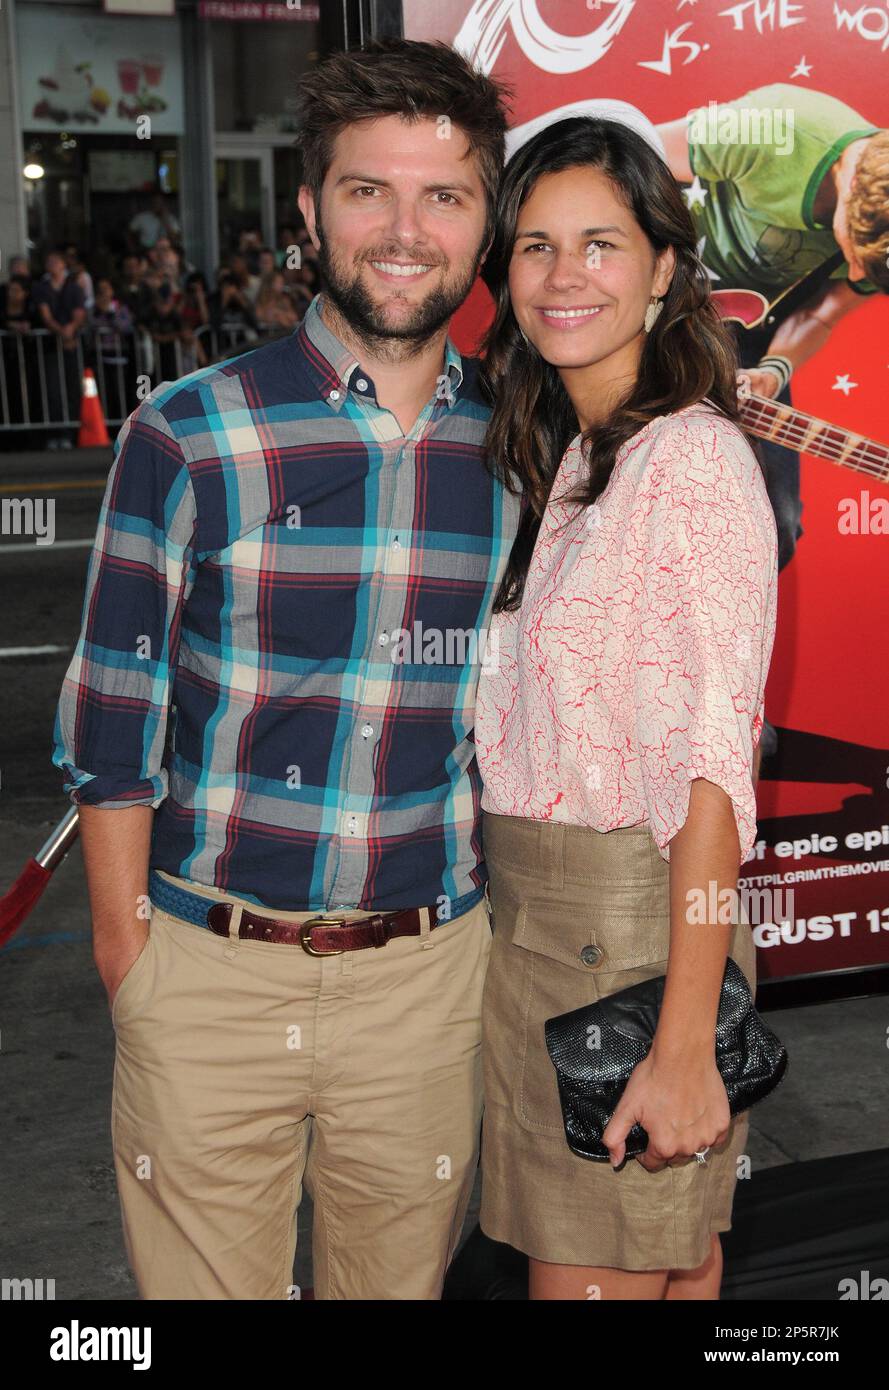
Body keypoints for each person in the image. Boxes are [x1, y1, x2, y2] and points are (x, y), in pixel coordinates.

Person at [51, 37, 517, 1301]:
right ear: (309, 211)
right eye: (369, 190)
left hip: (428, 983)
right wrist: (128, 958)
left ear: (484, 225)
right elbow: (112, 714)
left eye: (446, 195)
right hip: (204, 971)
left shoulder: (525, 447)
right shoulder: (189, 429)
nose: (405, 230)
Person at [473, 116, 778, 1300]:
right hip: (551, 935)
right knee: (670, 1267)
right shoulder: (583, 455)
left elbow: (711, 777)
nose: (563, 276)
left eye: (600, 242)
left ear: (662, 265)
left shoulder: (687, 464)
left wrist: (686, 1042)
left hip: (627, 944)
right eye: (536, 246)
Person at [657, 85, 889, 575]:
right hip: (654, 306)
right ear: (852, 189)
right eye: (854, 251)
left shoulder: (877, 241)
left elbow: (817, 314)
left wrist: (773, 372)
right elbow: (631, 164)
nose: (854, 274)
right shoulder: (780, 128)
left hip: (747, 340)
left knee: (776, 524)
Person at [31, 249, 87, 449]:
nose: (53, 264)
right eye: (49, 261)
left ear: (64, 264)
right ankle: (56, 432)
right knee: (53, 390)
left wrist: (69, 330)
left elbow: (79, 314)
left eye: (56, 261)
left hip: (71, 345)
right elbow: (45, 315)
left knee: (73, 388)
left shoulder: (73, 287)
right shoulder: (42, 288)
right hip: (51, 346)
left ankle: (71, 432)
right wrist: (61, 332)